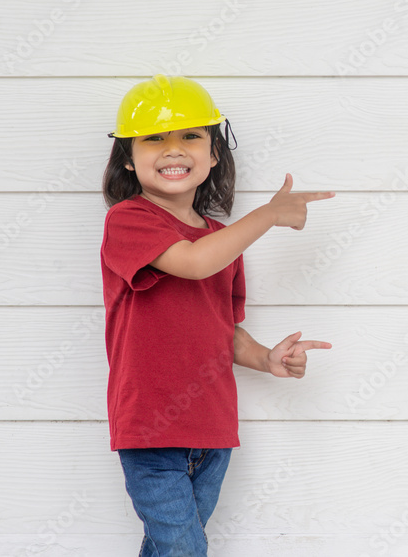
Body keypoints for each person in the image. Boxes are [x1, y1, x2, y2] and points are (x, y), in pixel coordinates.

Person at [99, 74, 334, 556]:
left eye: (191, 136)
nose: (174, 149)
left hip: (212, 428)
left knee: (172, 548)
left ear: (213, 155)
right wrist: (267, 215)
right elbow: (192, 262)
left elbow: (223, 329)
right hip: (151, 428)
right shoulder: (129, 220)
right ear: (128, 156)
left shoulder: (222, 236)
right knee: (183, 549)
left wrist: (267, 357)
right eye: (155, 138)